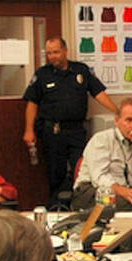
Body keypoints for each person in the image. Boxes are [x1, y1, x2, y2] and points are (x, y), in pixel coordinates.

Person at [22, 37, 118, 206]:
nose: (52, 56)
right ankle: (55, 207)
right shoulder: (42, 74)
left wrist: (118, 112)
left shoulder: (81, 71)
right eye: (49, 53)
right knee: (55, 173)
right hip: (53, 131)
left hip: (76, 131)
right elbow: (32, 103)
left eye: (56, 52)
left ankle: (79, 205)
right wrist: (29, 130)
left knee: (81, 169)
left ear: (65, 51)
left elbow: (98, 93)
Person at [72, 97, 132, 254]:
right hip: (89, 192)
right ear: (117, 121)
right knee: (131, 202)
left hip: (126, 194)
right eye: (129, 120)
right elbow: (99, 178)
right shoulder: (101, 140)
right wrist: (127, 193)